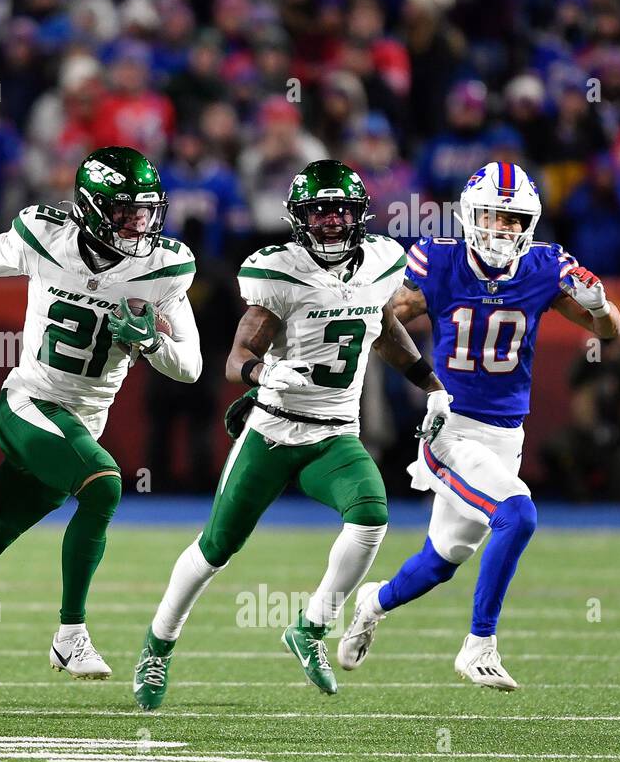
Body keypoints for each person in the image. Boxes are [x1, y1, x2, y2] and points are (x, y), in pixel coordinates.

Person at [134, 159, 450, 708]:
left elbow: (382, 328)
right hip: (276, 431)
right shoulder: (277, 271)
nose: (331, 221)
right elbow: (236, 358)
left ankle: (309, 628)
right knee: (215, 548)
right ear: (298, 218)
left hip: (335, 435)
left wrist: (432, 384)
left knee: (372, 516)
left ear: (360, 214)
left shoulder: (382, 260)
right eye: (319, 211)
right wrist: (262, 374)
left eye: (341, 210)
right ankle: (157, 644)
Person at [0, 146, 202, 678]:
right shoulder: (45, 236)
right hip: (27, 402)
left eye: (145, 211)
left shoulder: (164, 267)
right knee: (104, 484)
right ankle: (70, 634)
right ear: (92, 209)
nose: (138, 224)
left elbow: (189, 366)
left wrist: (150, 345)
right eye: (125, 212)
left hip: (77, 427)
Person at [339, 162, 620, 690]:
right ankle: (479, 645)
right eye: (495, 215)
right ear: (471, 215)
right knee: (518, 515)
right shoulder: (440, 261)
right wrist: (428, 384)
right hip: (452, 429)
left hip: (505, 436)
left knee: (440, 561)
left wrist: (601, 304)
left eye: (515, 219)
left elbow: (610, 331)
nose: (504, 229)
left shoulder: (543, 267)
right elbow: (382, 319)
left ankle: (372, 603)